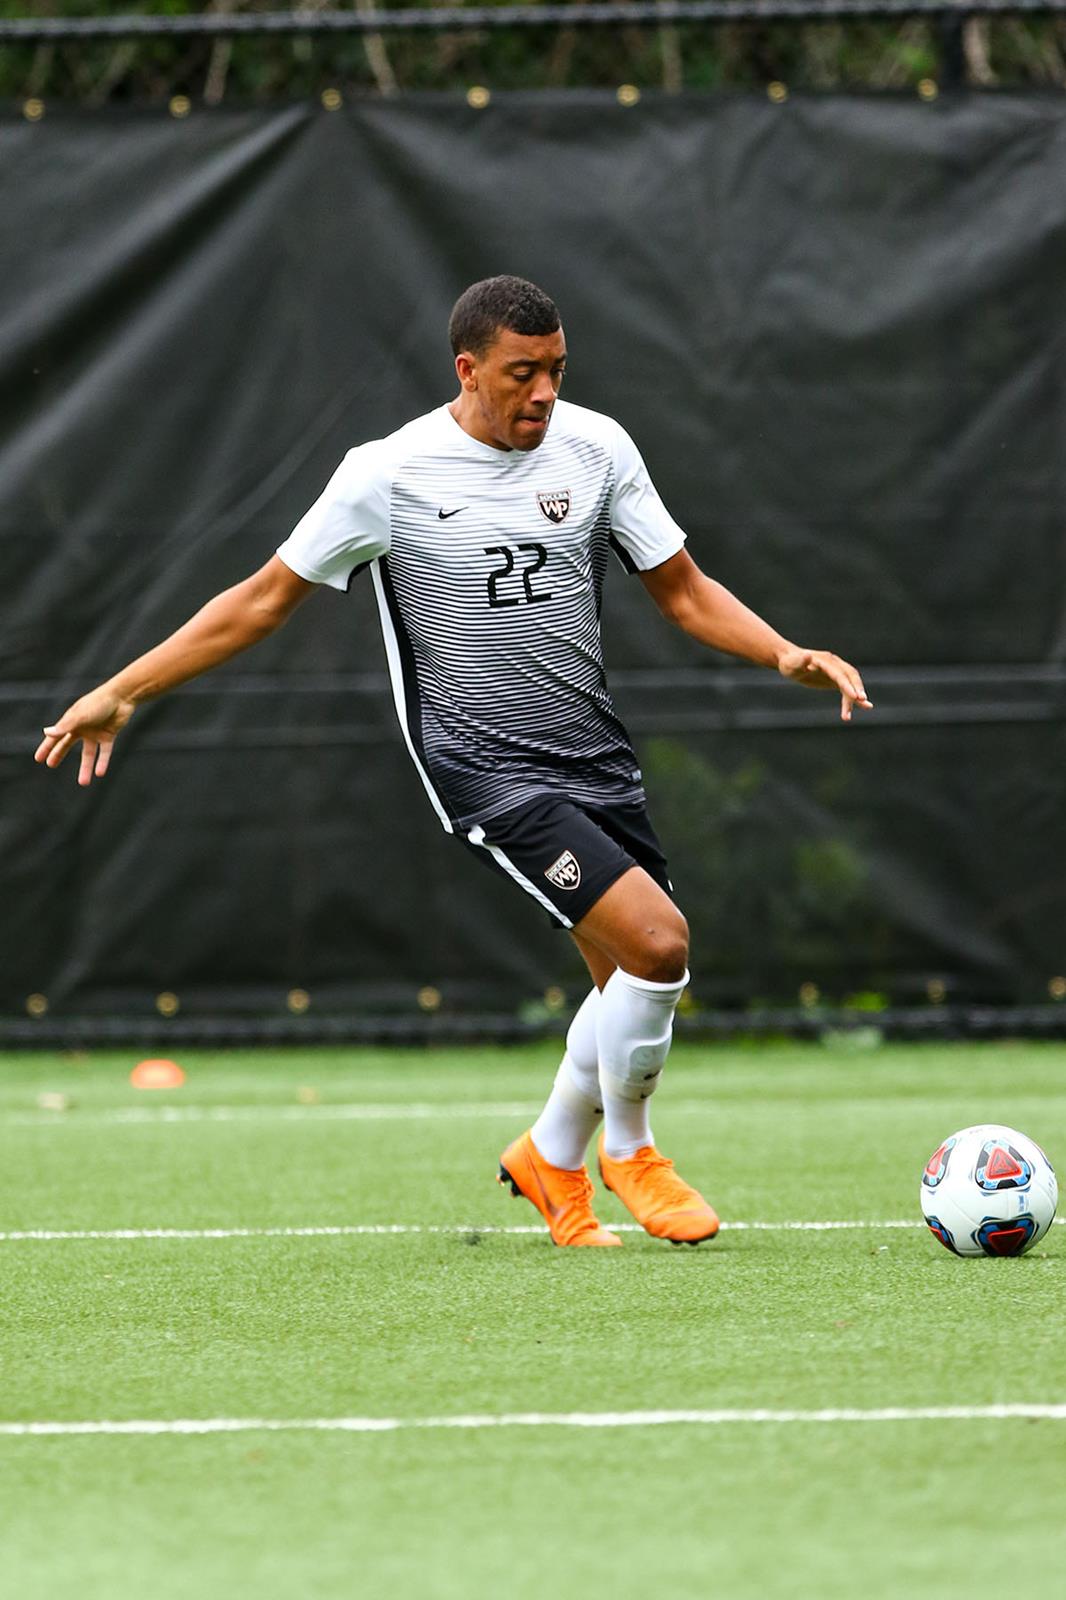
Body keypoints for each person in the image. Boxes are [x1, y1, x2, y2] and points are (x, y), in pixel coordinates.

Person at [35, 275, 872, 1249]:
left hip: (594, 755)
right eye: (523, 374)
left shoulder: (598, 448)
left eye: (557, 371)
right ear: (468, 370)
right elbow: (259, 601)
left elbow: (683, 591)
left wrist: (782, 651)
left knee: (622, 979)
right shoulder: (387, 473)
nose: (544, 393)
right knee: (658, 945)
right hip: (481, 765)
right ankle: (631, 1150)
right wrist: (123, 689)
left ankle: (551, 1158)